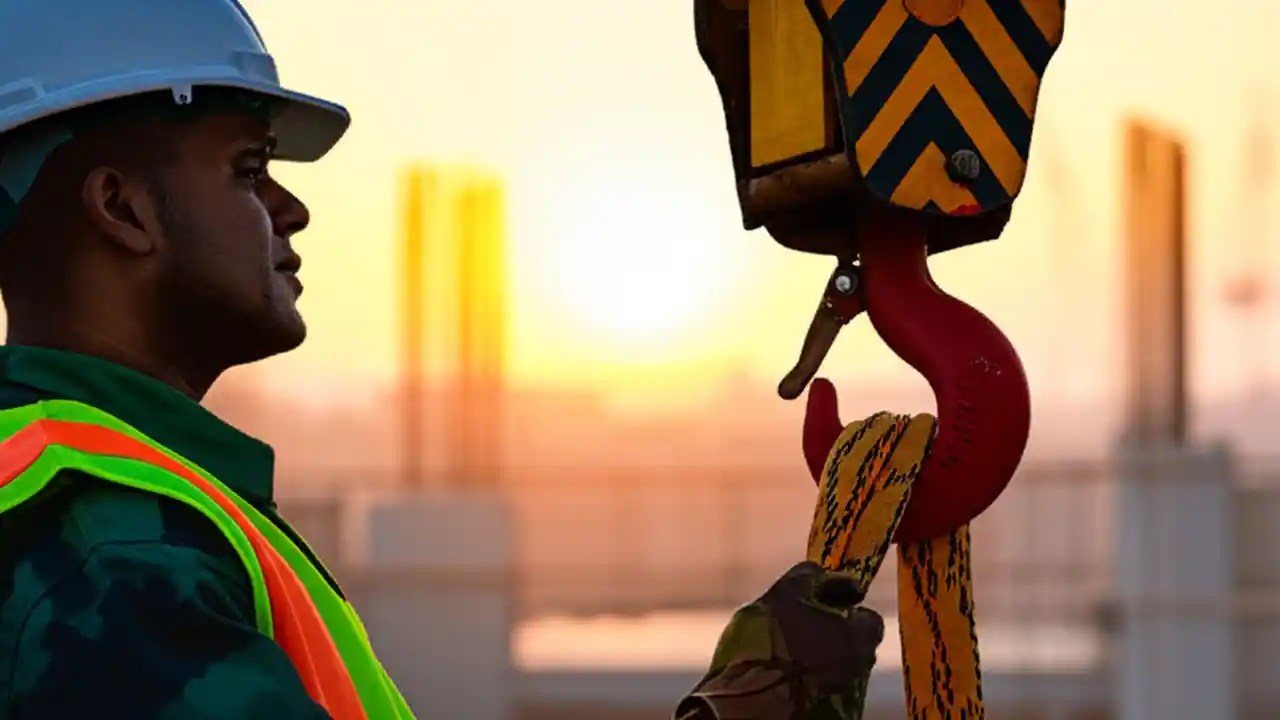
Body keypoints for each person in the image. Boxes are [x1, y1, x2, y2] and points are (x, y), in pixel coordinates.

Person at [0, 1, 885, 718]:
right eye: (247, 166)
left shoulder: (99, 499)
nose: (291, 208)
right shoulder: (108, 552)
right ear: (121, 208)